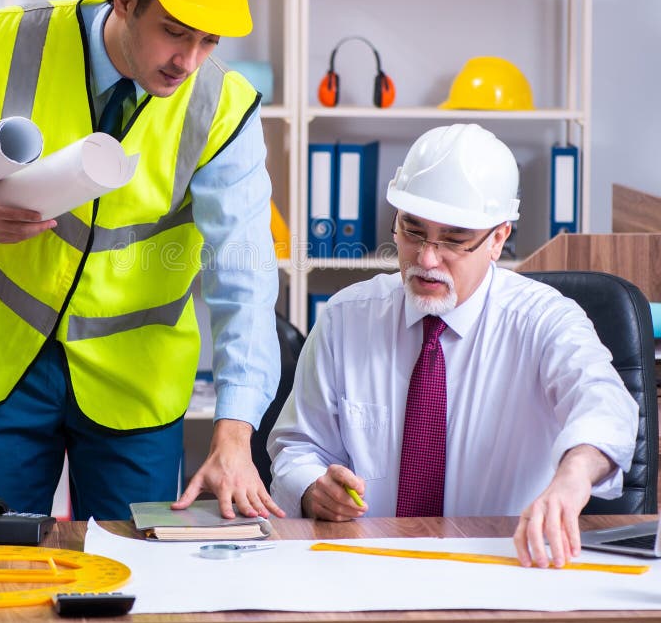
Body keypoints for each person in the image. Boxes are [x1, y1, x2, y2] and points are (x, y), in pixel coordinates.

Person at [0, 0, 285, 522]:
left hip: (137, 383)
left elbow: (245, 275)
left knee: (143, 579)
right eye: (175, 33)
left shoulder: (222, 108)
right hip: (2, 365)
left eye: (208, 40)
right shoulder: (3, 44)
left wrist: (236, 433)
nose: (188, 61)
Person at [267, 123, 638, 569]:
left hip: (502, 566)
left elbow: (604, 404)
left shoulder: (544, 321)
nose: (426, 258)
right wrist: (311, 487)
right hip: (366, 565)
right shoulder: (347, 317)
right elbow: (295, 446)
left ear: (498, 238)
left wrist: (573, 477)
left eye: (455, 240)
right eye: (413, 230)